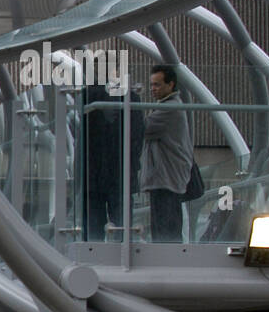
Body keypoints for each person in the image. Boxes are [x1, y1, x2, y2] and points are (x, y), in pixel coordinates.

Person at [82, 79, 143, 242]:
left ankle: (95, 258)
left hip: (94, 173)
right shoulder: (130, 96)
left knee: (93, 230)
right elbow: (137, 136)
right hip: (119, 172)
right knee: (121, 228)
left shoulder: (87, 95)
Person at [139, 65, 194, 243]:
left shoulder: (169, 109)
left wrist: (128, 101)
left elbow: (142, 128)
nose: (153, 89)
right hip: (166, 177)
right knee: (166, 224)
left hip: (166, 178)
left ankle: (168, 260)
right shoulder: (167, 106)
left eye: (157, 85)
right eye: (151, 85)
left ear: (171, 85)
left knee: (165, 228)